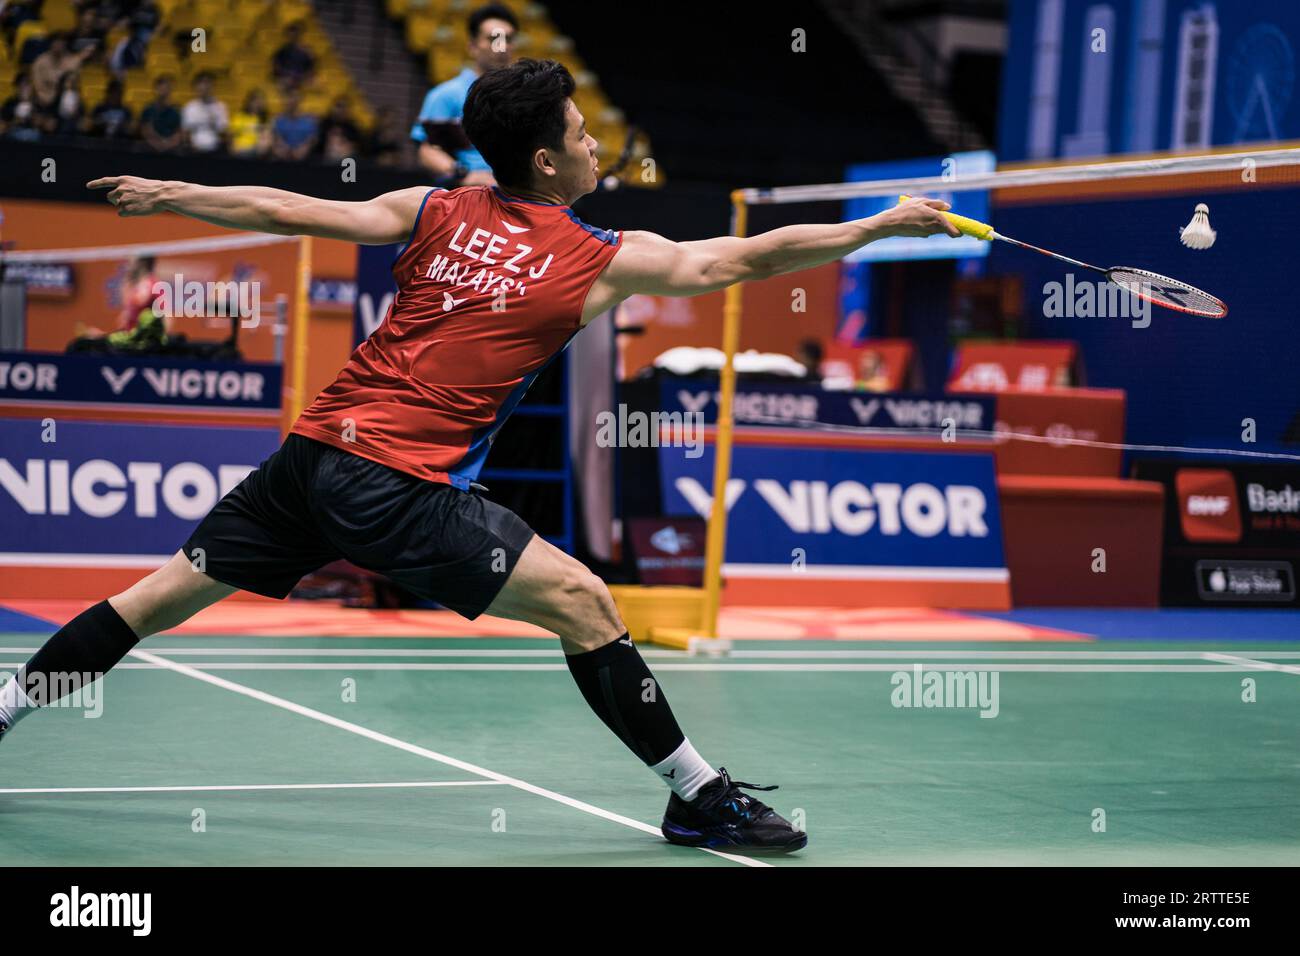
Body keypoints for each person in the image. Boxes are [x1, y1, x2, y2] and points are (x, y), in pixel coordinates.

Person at [8, 58, 958, 853]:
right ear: (547, 160)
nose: (596, 146)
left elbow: (295, 208)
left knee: (153, 600)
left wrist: (173, 193)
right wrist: (875, 226)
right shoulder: (600, 257)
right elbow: (741, 260)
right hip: (393, 484)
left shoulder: (437, 206)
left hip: (310, 454)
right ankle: (696, 797)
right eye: (584, 136)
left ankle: (6, 705)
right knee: (586, 603)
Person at [410, 2, 515, 186]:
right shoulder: (445, 95)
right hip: (465, 197)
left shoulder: (522, 97)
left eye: (508, 38)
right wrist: (464, 175)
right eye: (493, 38)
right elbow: (428, 150)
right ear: (472, 46)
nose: (502, 46)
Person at [181, 70, 228, 153]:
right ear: (196, 86)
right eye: (201, 83)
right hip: (194, 151)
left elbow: (223, 132)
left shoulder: (221, 107)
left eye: (208, 83)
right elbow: (186, 132)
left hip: (215, 151)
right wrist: (191, 147)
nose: (205, 87)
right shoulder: (190, 107)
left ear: (213, 86)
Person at [139, 74, 182, 151]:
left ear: (170, 90)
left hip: (171, 151)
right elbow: (146, 131)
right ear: (155, 89)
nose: (163, 90)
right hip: (150, 150)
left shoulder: (176, 111)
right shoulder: (148, 109)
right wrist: (160, 145)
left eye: (167, 87)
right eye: (161, 86)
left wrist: (167, 145)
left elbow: (178, 134)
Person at [270, 91, 317, 161]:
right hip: (282, 157)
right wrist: (283, 147)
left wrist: (304, 147)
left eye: (295, 100)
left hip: (304, 158)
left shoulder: (309, 121)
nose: (292, 102)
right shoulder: (279, 120)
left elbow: (312, 139)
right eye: (290, 100)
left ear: (300, 102)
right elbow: (276, 137)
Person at [271, 20, 315, 92]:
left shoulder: (306, 51)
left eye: (297, 33)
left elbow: (311, 64)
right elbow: (276, 60)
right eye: (292, 33)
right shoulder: (284, 50)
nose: (294, 35)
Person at [228, 89, 271, 157]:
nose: (258, 104)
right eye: (255, 100)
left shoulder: (265, 119)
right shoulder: (239, 116)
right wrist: (232, 145)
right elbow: (231, 134)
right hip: (239, 148)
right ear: (249, 101)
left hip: (256, 150)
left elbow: (266, 137)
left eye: (260, 101)